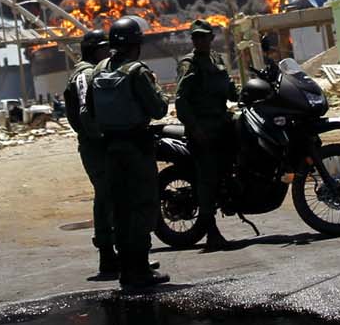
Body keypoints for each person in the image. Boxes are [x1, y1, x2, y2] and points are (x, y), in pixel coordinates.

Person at [86, 16, 171, 289]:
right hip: (137, 148)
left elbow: (88, 110)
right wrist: (161, 94)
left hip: (110, 149)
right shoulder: (136, 72)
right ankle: (141, 271)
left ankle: (126, 270)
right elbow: (158, 109)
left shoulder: (98, 70)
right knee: (143, 207)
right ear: (136, 44)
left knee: (120, 210)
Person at [174, 19, 239, 251]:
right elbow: (181, 101)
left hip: (222, 125)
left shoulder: (217, 60)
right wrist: (195, 128)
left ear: (212, 39)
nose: (200, 41)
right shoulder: (188, 64)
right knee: (207, 178)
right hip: (203, 131)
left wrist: (248, 93)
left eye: (204, 37)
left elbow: (230, 90)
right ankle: (212, 232)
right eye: (196, 37)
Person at [62, 29, 115, 278]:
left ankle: (121, 254)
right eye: (104, 48)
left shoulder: (92, 71)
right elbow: (84, 111)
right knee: (105, 196)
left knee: (112, 197)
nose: (109, 52)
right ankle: (107, 257)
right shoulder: (84, 74)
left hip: (98, 143)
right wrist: (102, 136)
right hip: (96, 146)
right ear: (94, 51)